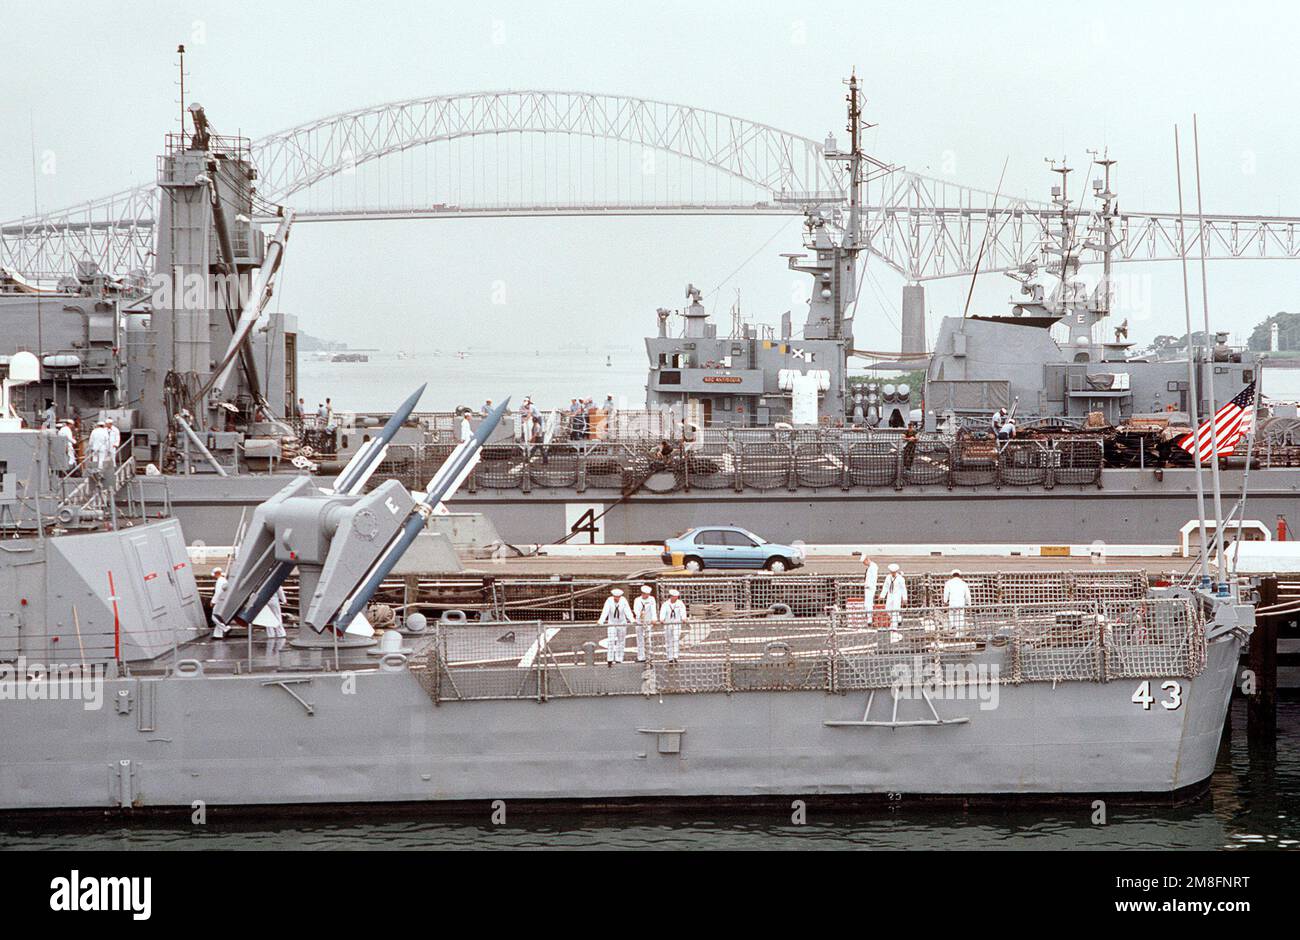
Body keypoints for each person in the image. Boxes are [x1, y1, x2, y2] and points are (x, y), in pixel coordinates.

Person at [597, 587, 633, 666]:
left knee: (621, 641)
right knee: (611, 640)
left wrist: (632, 620)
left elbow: (627, 611)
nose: (617, 598)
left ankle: (619, 658)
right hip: (612, 623)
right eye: (615, 597)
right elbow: (605, 611)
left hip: (622, 623)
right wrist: (601, 620)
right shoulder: (609, 601)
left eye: (618, 597)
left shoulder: (623, 601)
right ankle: (609, 659)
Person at [659, 588, 687, 663]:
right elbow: (662, 612)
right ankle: (669, 657)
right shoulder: (665, 604)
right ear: (671, 596)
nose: (676, 598)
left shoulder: (680, 603)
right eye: (674, 596)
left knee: (676, 638)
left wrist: (684, 618)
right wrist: (662, 619)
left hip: (676, 623)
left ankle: (675, 656)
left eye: (677, 596)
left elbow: (683, 611)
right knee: (668, 640)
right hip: (668, 624)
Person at [879, 563, 908, 633]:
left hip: (897, 595)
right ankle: (898, 618)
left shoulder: (900, 579)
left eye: (894, 572)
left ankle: (894, 627)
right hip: (890, 594)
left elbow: (903, 589)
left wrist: (904, 598)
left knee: (895, 610)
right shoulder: (888, 577)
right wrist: (882, 595)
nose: (893, 573)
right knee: (888, 609)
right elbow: (885, 587)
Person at [632, 585, 657, 663]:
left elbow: (653, 609)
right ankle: (641, 657)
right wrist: (640, 615)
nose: (647, 595)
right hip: (639, 621)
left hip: (648, 621)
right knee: (639, 639)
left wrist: (654, 618)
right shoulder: (637, 600)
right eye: (645, 594)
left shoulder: (651, 599)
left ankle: (648, 656)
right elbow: (635, 609)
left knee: (648, 638)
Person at [210, 567, 230, 639]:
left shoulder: (220, 581)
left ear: (216, 573)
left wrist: (213, 601)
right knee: (218, 618)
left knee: (214, 617)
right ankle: (217, 635)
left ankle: (225, 628)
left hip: (219, 601)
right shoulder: (224, 580)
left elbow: (218, 593)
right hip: (223, 600)